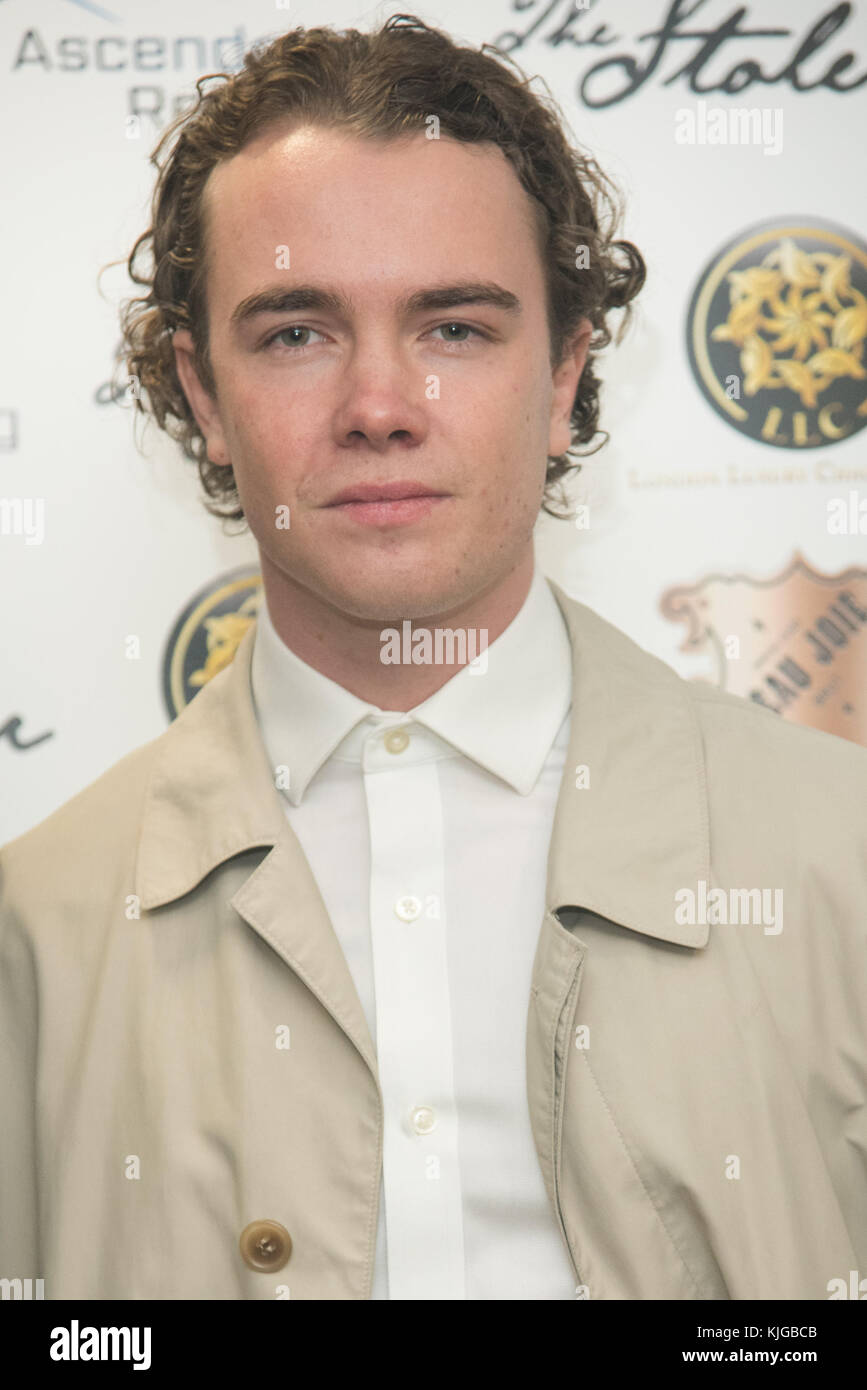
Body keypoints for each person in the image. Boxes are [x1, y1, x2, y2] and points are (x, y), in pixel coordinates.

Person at [1, 13, 865, 1302]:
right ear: (201, 395)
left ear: (567, 371)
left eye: (455, 327)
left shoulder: (842, 860)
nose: (380, 406)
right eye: (296, 331)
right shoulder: (36, 934)